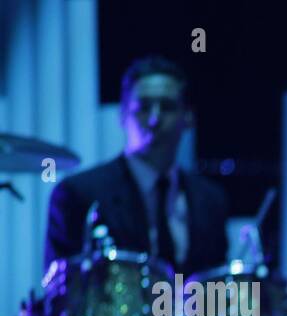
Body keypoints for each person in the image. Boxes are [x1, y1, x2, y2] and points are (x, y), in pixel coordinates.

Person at [44, 55, 229, 273]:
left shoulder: (210, 199)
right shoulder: (79, 194)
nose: (154, 119)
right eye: (143, 107)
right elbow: (60, 290)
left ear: (188, 117)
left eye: (167, 107)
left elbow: (218, 287)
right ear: (122, 114)